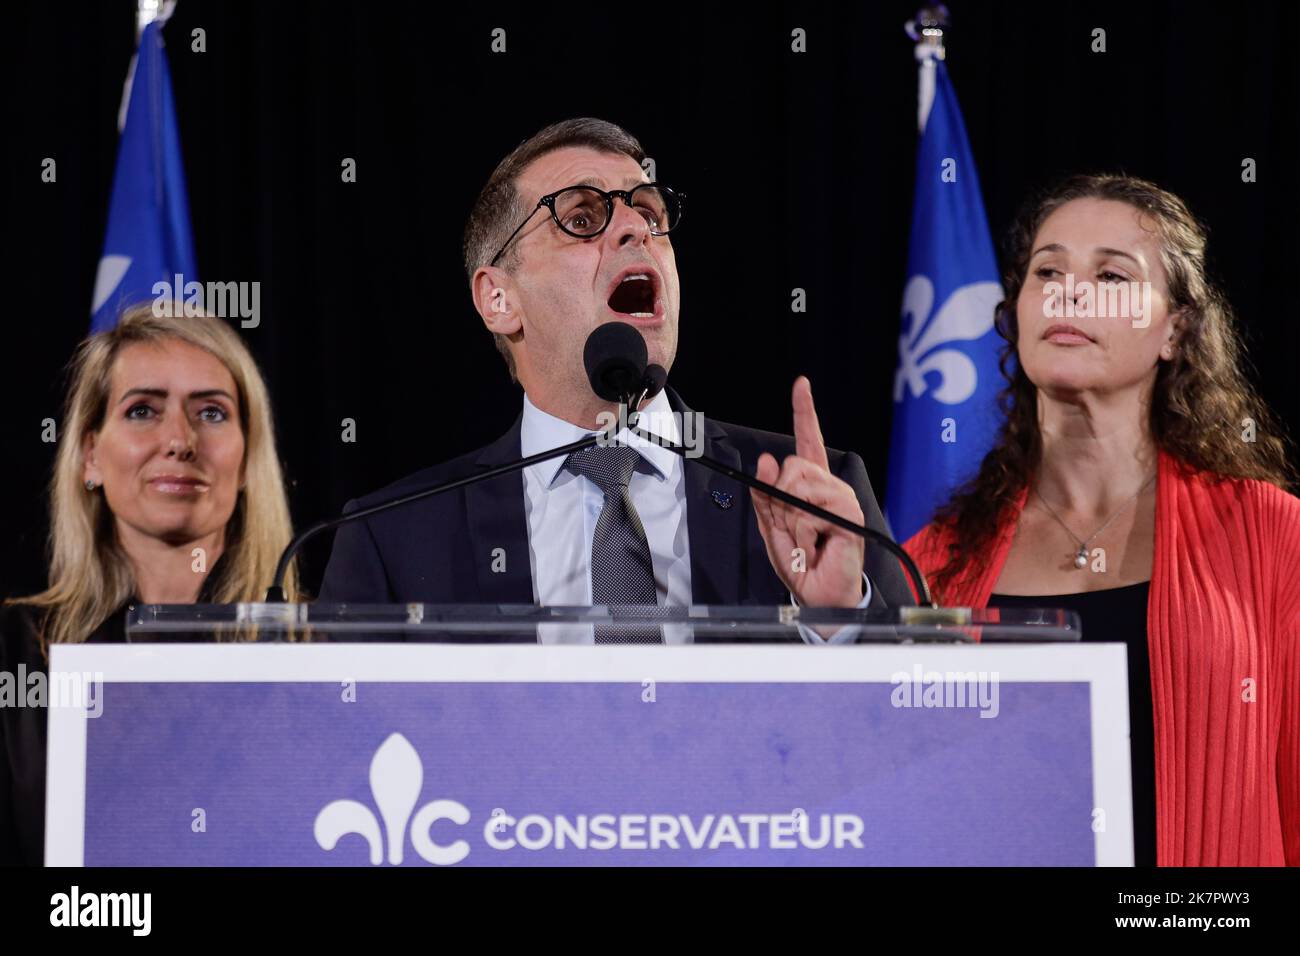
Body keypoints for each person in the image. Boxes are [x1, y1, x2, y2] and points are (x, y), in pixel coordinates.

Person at [317, 117, 913, 642]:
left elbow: (926, 738)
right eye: (581, 217)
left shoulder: (814, 496)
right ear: (498, 298)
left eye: (649, 212)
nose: (636, 229)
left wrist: (839, 621)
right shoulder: (391, 541)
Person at [904, 174, 1300, 866]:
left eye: (1110, 275)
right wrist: (840, 615)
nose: (1068, 291)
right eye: (1047, 270)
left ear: (1176, 328)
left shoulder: (1271, 534)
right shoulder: (930, 559)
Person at [0, 304, 298, 866]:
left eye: (211, 413)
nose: (180, 441)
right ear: (90, 455)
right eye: (142, 410)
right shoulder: (16, 652)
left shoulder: (315, 650)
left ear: (248, 457)